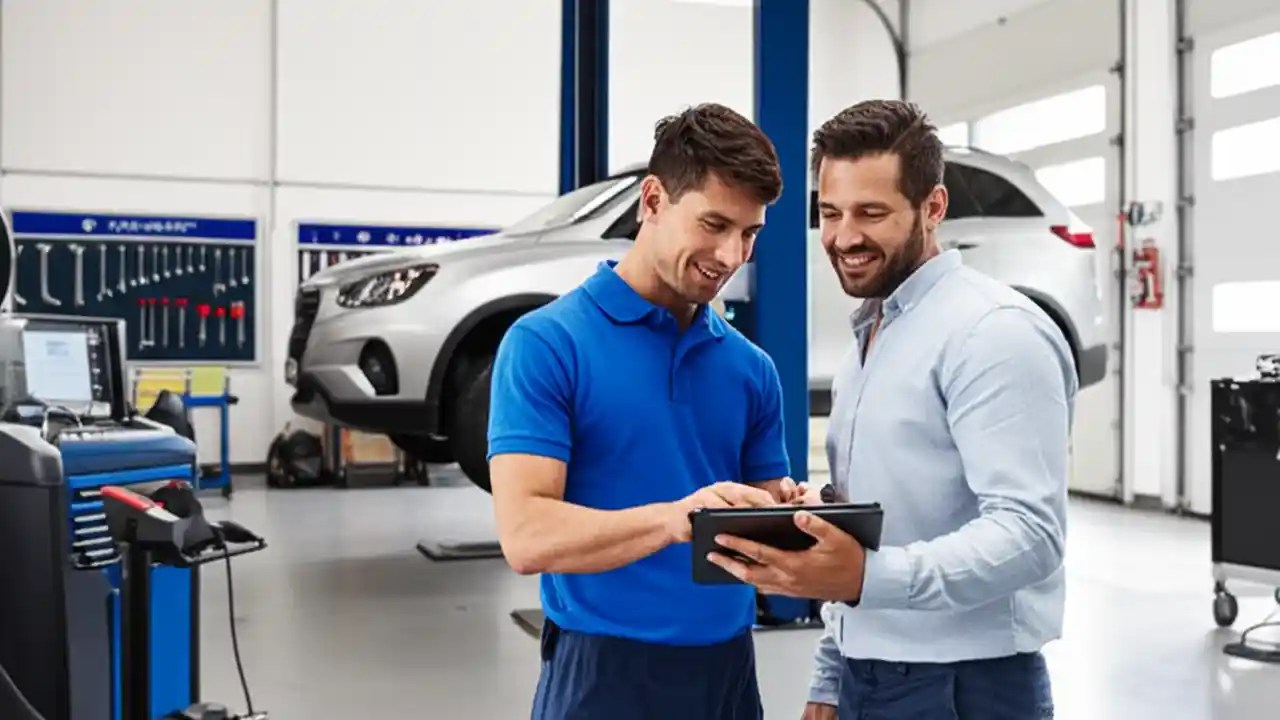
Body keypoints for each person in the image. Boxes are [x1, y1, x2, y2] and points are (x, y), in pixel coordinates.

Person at [707, 99, 1077, 719]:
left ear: (933, 208)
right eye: (829, 213)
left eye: (871, 213)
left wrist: (861, 577)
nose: (844, 236)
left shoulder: (993, 332)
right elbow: (878, 527)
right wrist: (831, 671)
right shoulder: (875, 334)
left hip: (967, 689)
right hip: (866, 677)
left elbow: (1030, 534)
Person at [486, 102, 801, 719]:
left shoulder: (752, 370)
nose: (732, 255)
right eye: (713, 224)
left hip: (729, 672)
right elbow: (526, 537)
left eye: (750, 234)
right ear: (653, 200)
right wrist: (674, 519)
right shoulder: (547, 344)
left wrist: (795, 514)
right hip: (605, 672)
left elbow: (765, 543)